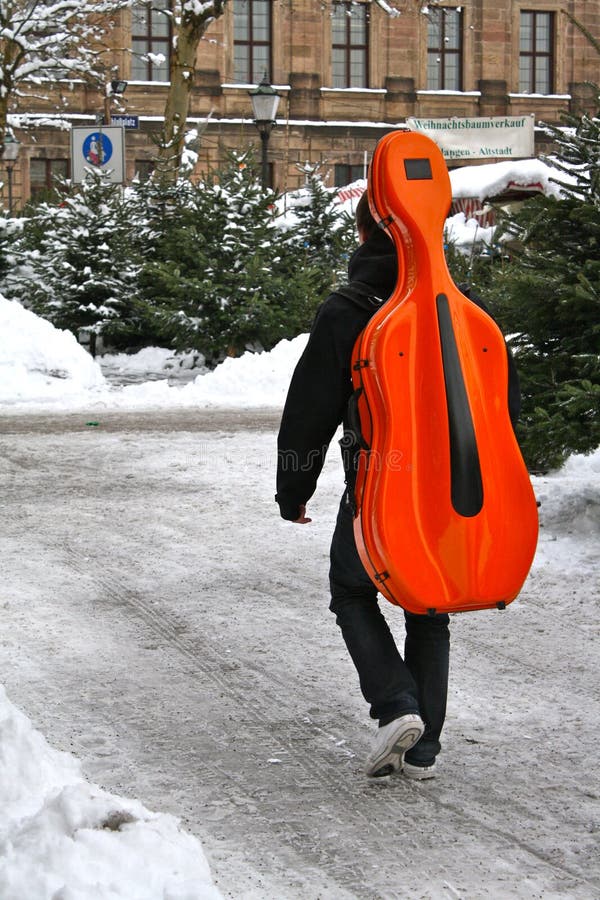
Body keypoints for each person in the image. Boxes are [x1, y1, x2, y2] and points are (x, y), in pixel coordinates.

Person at [275, 190, 519, 779]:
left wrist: (294, 489)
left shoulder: (348, 309)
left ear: (364, 236)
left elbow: (310, 408)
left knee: (352, 592)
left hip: (380, 486)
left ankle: (396, 705)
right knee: (429, 605)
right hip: (448, 486)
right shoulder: (464, 309)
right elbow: (499, 408)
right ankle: (424, 750)